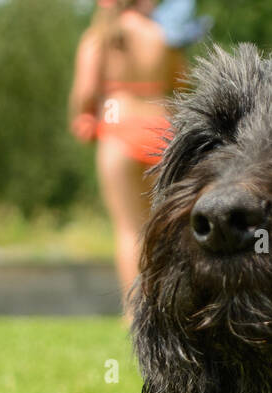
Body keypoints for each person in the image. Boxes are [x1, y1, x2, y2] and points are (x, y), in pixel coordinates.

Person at [69, 0, 187, 308]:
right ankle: (166, 309)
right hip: (160, 129)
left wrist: (83, 117)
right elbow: (181, 83)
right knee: (161, 227)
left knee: (127, 228)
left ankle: (135, 311)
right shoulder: (162, 33)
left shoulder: (100, 36)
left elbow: (84, 92)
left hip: (117, 126)